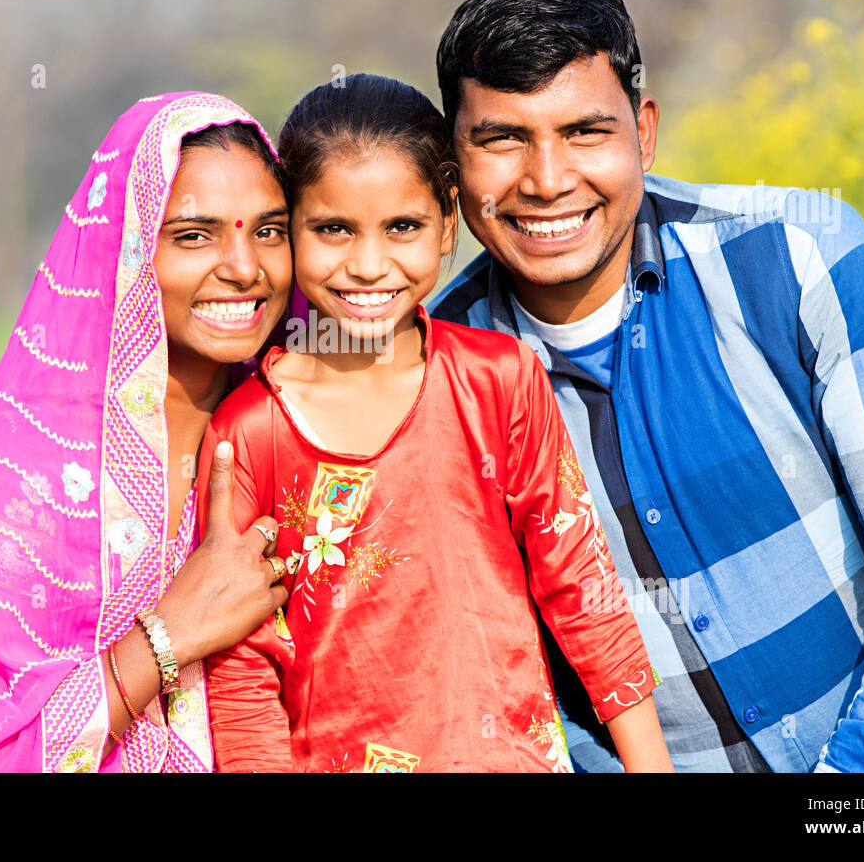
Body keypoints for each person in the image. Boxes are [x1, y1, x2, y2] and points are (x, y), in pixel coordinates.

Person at [430, 0, 864, 772]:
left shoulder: (799, 256)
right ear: (454, 167)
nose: (547, 182)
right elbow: (500, 676)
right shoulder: (433, 374)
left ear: (644, 132)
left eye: (585, 132)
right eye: (502, 139)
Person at [196, 74, 673, 773]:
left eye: (403, 228)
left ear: (448, 225)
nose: (367, 264)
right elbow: (243, 680)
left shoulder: (496, 381)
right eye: (333, 229)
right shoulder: (249, 433)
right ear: (287, 231)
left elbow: (584, 593)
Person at [0, 92, 295, 772]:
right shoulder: (21, 463)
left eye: (269, 230)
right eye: (194, 236)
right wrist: (172, 635)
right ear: (126, 248)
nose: (244, 268)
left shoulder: (298, 424)